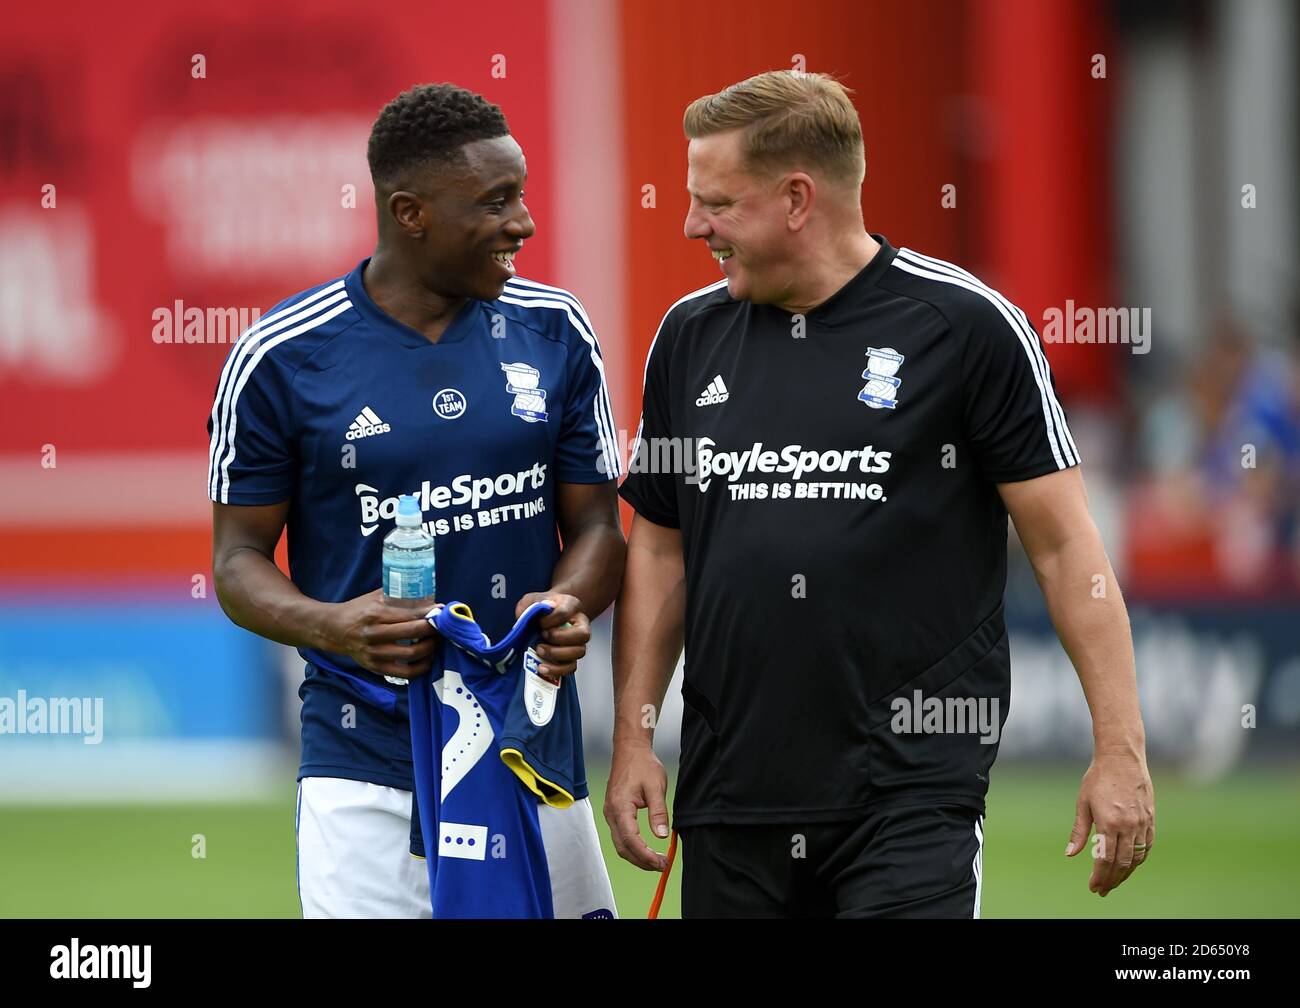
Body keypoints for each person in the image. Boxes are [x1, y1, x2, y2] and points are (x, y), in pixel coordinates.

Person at [608, 70, 1154, 918]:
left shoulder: (964, 327)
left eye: (716, 203)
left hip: (910, 797)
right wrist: (634, 738)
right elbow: (659, 544)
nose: (693, 226)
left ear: (797, 198)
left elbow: (1064, 546)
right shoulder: (688, 338)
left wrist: (1119, 751)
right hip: (731, 796)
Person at [208, 83, 624, 918]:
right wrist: (332, 626)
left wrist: (569, 599)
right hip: (364, 760)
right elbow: (235, 562)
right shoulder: (283, 355)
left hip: (528, 748)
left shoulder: (557, 332)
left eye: (524, 194)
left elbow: (598, 528)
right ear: (411, 213)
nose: (524, 223)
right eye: (497, 201)